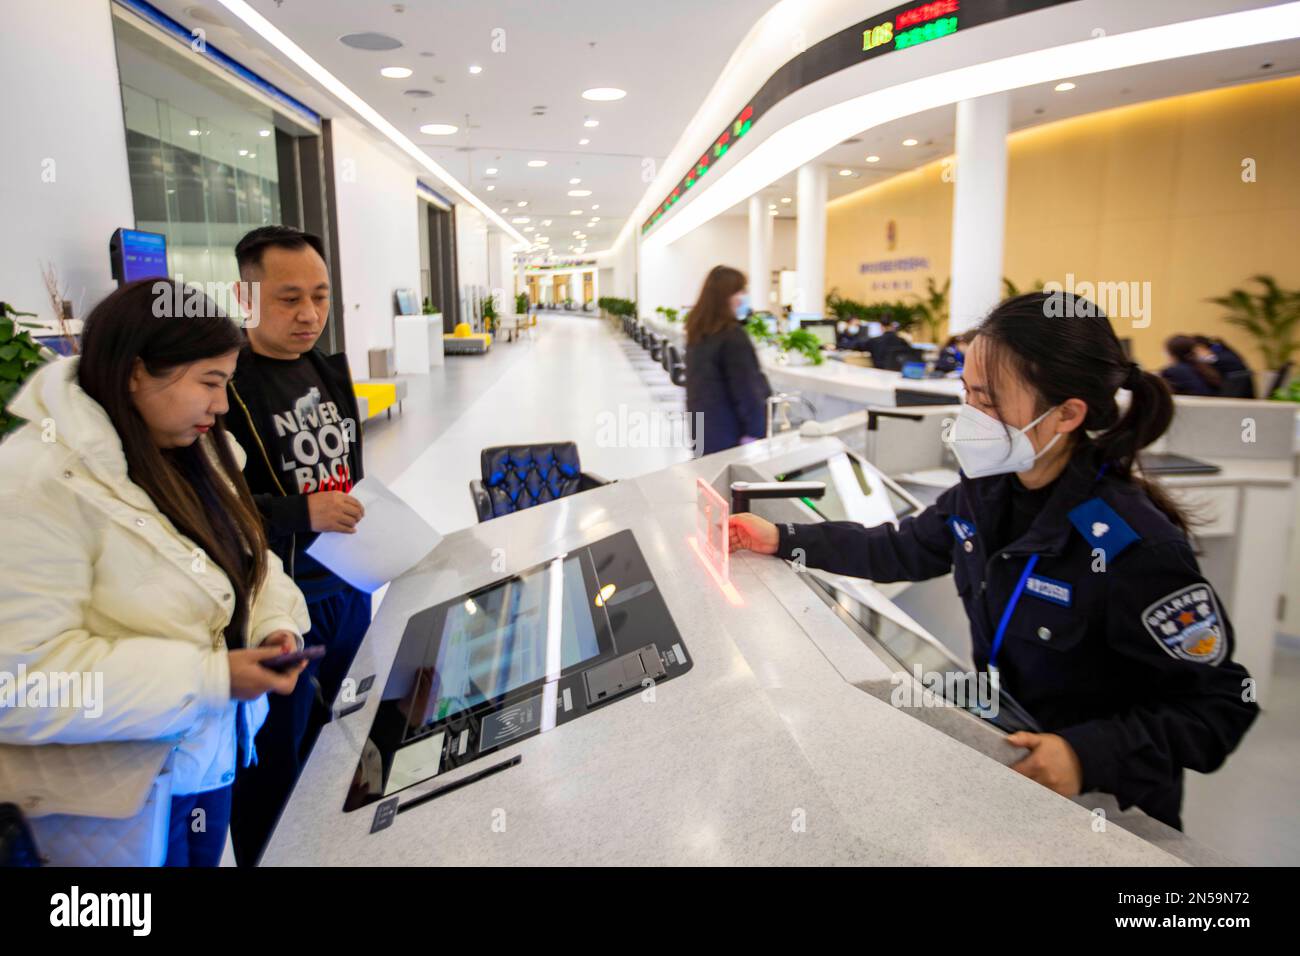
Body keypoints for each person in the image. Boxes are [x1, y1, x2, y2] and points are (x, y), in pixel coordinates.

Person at [729, 292, 1258, 830]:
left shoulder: (1133, 546)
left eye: (988, 399)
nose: (969, 416)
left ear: (1068, 413)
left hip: (1108, 807)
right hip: (1012, 764)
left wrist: (1085, 753)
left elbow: (1220, 706)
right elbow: (902, 547)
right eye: (966, 392)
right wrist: (783, 536)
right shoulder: (986, 492)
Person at [0, 279, 309, 866]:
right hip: (108, 803)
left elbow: (248, 563)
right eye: (210, 383)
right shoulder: (34, 482)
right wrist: (209, 677)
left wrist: (273, 625)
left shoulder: (197, 451)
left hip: (204, 760)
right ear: (138, 372)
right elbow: (19, 681)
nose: (221, 407)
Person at [223, 225, 369, 865]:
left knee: (350, 731)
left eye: (320, 295)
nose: (309, 314)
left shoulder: (326, 369)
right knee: (276, 763)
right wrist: (296, 512)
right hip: (280, 604)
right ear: (246, 297)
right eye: (288, 299)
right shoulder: (223, 385)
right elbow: (206, 506)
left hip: (350, 583)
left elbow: (345, 465)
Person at [685, 265, 771, 455]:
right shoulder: (732, 336)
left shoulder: (697, 331)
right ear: (726, 296)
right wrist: (756, 432)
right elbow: (746, 388)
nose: (743, 297)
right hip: (730, 431)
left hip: (703, 426)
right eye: (740, 291)